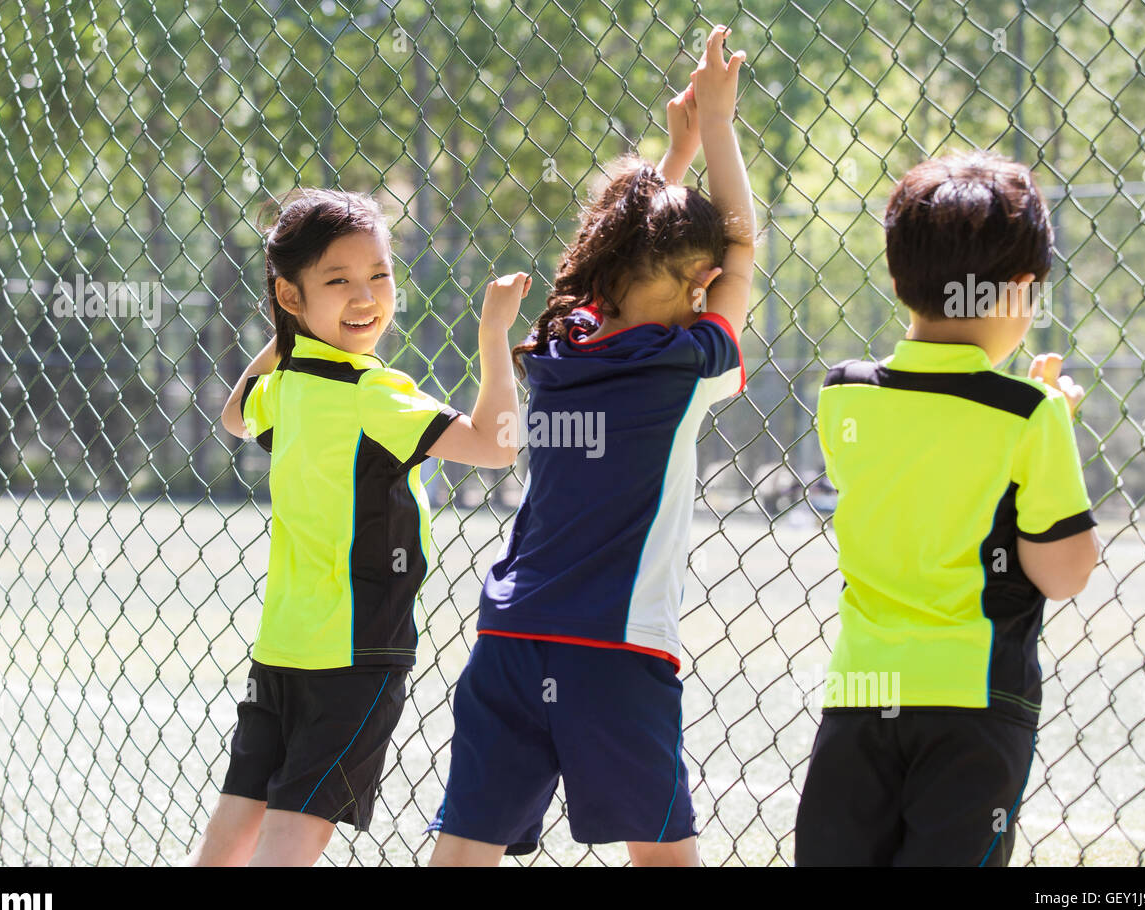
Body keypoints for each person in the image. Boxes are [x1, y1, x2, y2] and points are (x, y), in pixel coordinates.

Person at [427, 25, 753, 867]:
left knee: (466, 846)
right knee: (661, 853)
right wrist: (716, 125)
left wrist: (669, 167)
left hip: (510, 634)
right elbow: (741, 246)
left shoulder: (560, 347)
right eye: (700, 278)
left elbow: (625, 261)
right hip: (616, 649)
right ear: (699, 284)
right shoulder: (684, 366)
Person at [188, 187, 526, 866]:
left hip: (280, 648)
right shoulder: (377, 395)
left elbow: (232, 414)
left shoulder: (284, 388)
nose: (366, 296)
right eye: (337, 281)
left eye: (379, 275)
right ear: (292, 296)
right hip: (355, 657)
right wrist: (494, 336)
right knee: (291, 837)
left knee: (232, 832)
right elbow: (499, 443)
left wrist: (286, 339)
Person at [794, 150, 1102, 866]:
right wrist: (1051, 433)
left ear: (901, 278)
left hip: (859, 694)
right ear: (1021, 290)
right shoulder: (1028, 415)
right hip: (974, 701)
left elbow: (915, 477)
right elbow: (1064, 572)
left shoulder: (844, 393)